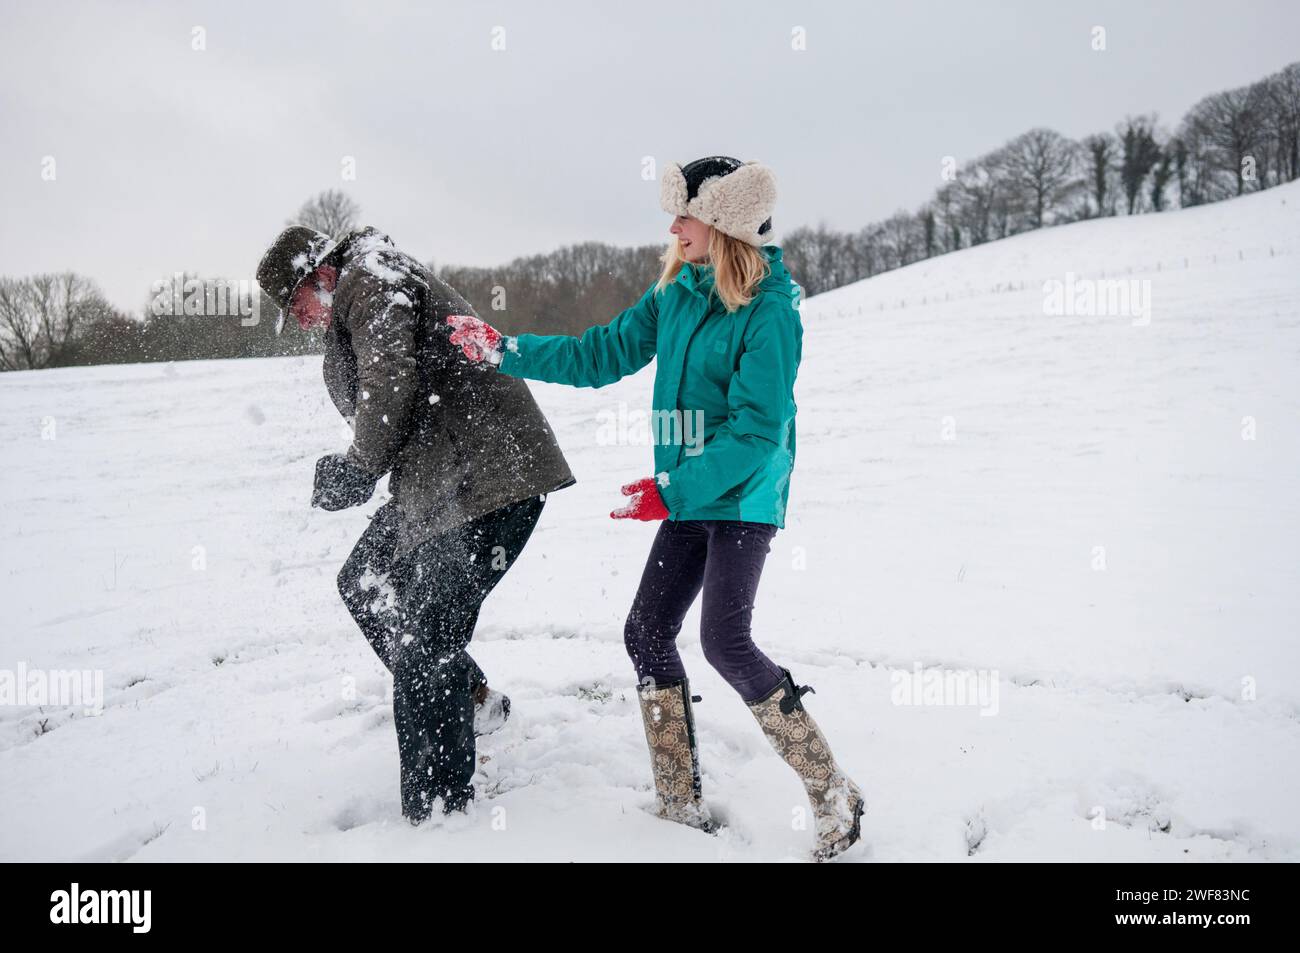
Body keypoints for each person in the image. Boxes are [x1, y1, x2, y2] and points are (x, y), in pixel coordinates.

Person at [445, 156, 865, 861]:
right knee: (645, 631)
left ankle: (834, 793)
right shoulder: (678, 288)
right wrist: (503, 350)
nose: (673, 226)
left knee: (725, 641)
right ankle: (677, 796)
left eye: (685, 215)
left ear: (723, 222)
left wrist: (672, 491)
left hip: (742, 496)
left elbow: (759, 432)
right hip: (686, 493)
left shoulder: (772, 312)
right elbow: (600, 353)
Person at [255, 225, 575, 823]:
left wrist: (357, 467)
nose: (299, 321)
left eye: (295, 306)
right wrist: (359, 465)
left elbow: (391, 378)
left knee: (427, 641)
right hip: (437, 489)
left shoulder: (374, 281)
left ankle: (439, 812)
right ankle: (474, 701)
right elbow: (378, 393)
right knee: (365, 581)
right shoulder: (354, 303)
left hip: (489, 482)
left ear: (318, 276)